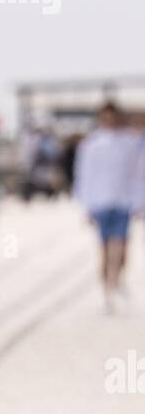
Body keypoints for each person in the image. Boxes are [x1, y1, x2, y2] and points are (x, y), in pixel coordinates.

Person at [72, 101, 142, 312]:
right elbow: (84, 175)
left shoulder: (129, 142)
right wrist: (85, 204)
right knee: (104, 251)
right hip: (100, 202)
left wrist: (140, 202)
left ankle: (116, 279)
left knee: (120, 249)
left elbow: (138, 175)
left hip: (123, 201)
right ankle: (107, 292)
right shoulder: (92, 144)